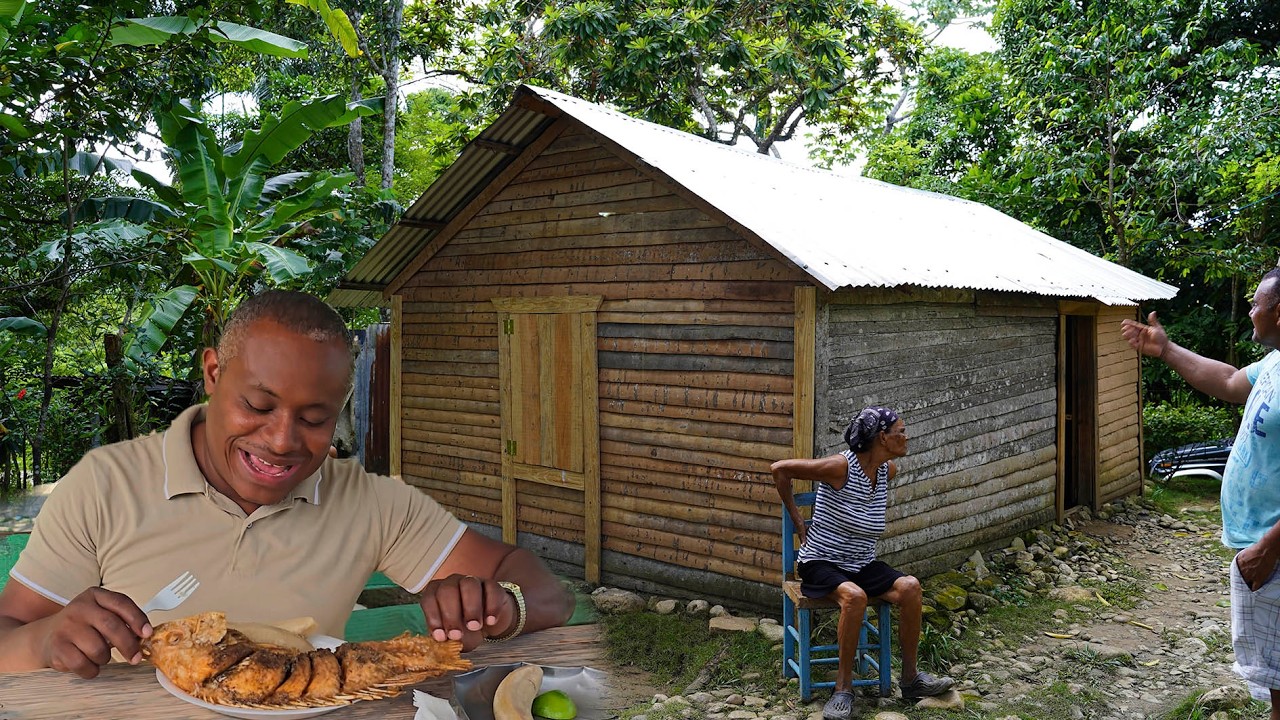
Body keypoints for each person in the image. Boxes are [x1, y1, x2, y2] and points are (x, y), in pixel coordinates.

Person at [0, 290, 574, 679]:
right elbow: (9, 635)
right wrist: (46, 638)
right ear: (213, 373)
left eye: (315, 418)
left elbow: (548, 591)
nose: (281, 441)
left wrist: (503, 607)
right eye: (258, 405)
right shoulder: (107, 485)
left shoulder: (372, 504)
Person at [1122, 266, 1280, 720]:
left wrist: (1268, 548)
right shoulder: (1273, 362)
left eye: (1256, 303)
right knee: (1274, 681)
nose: (1250, 311)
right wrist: (1167, 350)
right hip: (1260, 546)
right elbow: (1230, 382)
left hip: (1273, 550)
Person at [772, 407, 953, 720]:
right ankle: (843, 689)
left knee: (910, 587)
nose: (905, 437)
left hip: (861, 563)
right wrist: (797, 518)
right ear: (882, 437)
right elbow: (780, 469)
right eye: (900, 432)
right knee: (854, 597)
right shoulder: (839, 467)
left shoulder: (887, 470)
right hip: (821, 562)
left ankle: (910, 680)